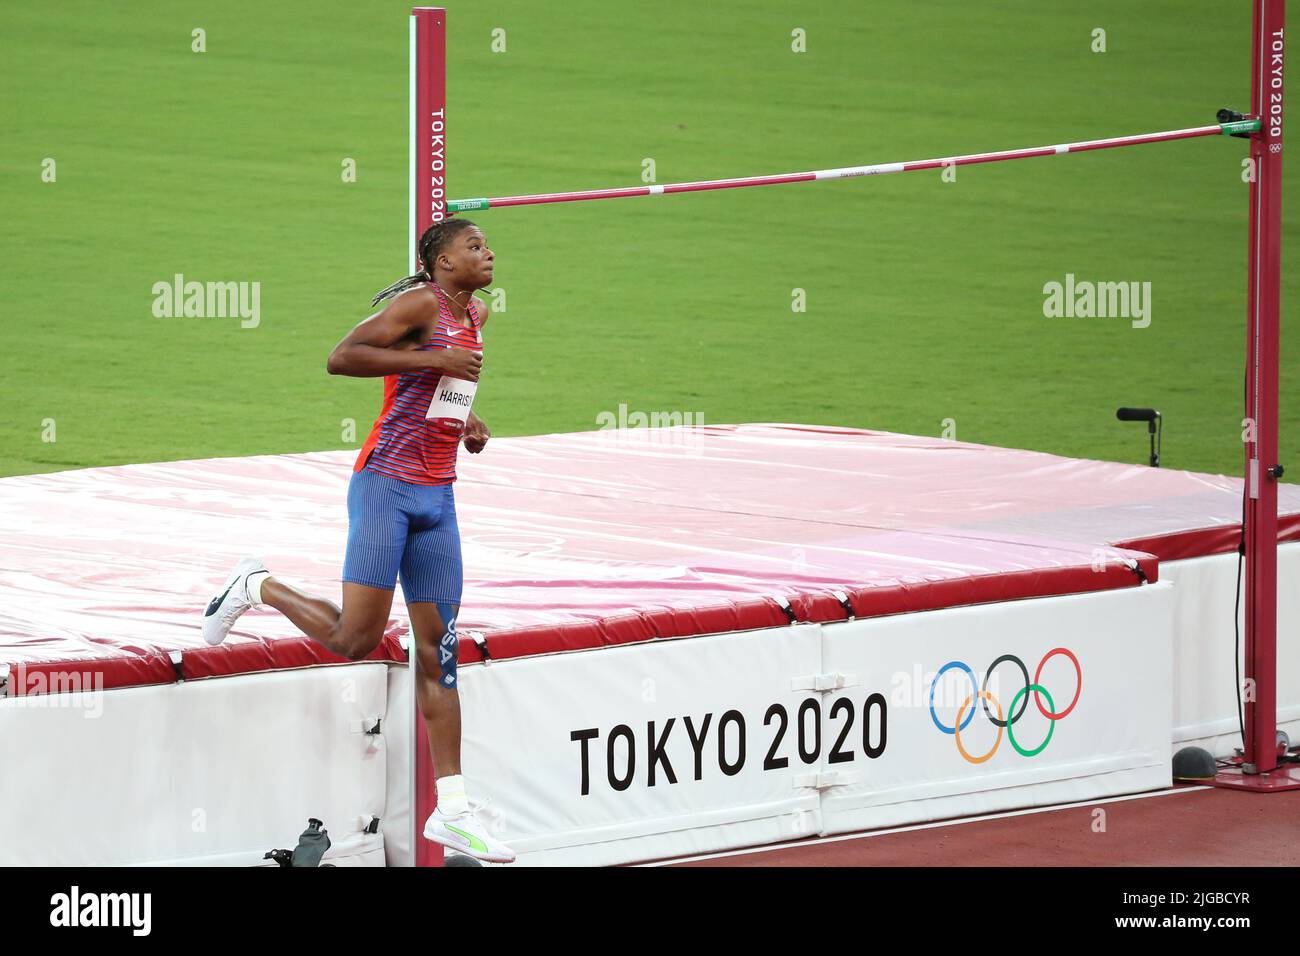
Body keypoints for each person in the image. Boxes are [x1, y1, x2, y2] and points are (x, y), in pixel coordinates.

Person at [201, 218, 515, 864]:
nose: (489, 254)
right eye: (475, 247)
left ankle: (452, 811)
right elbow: (341, 357)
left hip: (438, 498)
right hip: (385, 491)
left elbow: (435, 391)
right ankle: (254, 584)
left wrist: (469, 422)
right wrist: (436, 357)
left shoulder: (474, 312)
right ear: (442, 262)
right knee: (356, 638)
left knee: (439, 649)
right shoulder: (422, 305)